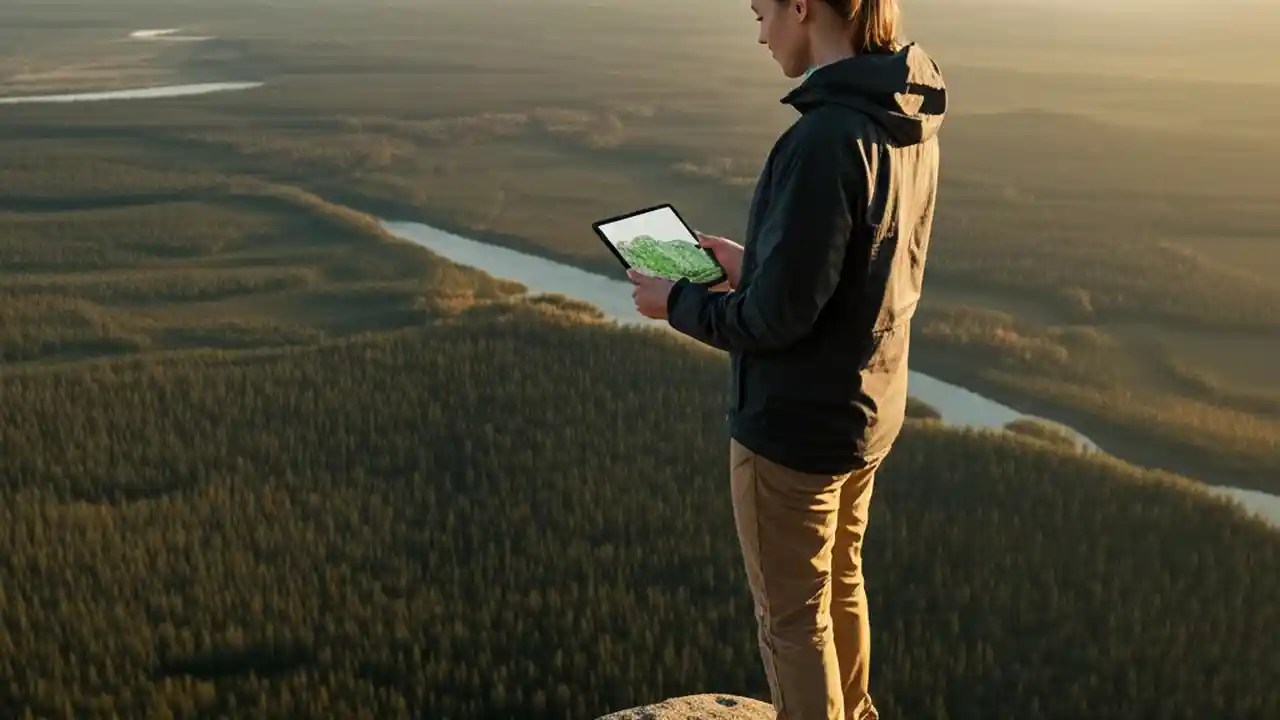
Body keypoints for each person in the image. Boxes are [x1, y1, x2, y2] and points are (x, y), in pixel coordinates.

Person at [627, 0, 946, 718]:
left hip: (793, 429)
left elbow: (774, 320)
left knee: (793, 620)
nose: (760, 30)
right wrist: (755, 262)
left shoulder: (824, 138)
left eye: (762, 10)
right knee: (841, 583)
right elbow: (867, 269)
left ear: (802, 7)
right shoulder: (906, 114)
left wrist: (675, 303)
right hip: (865, 410)